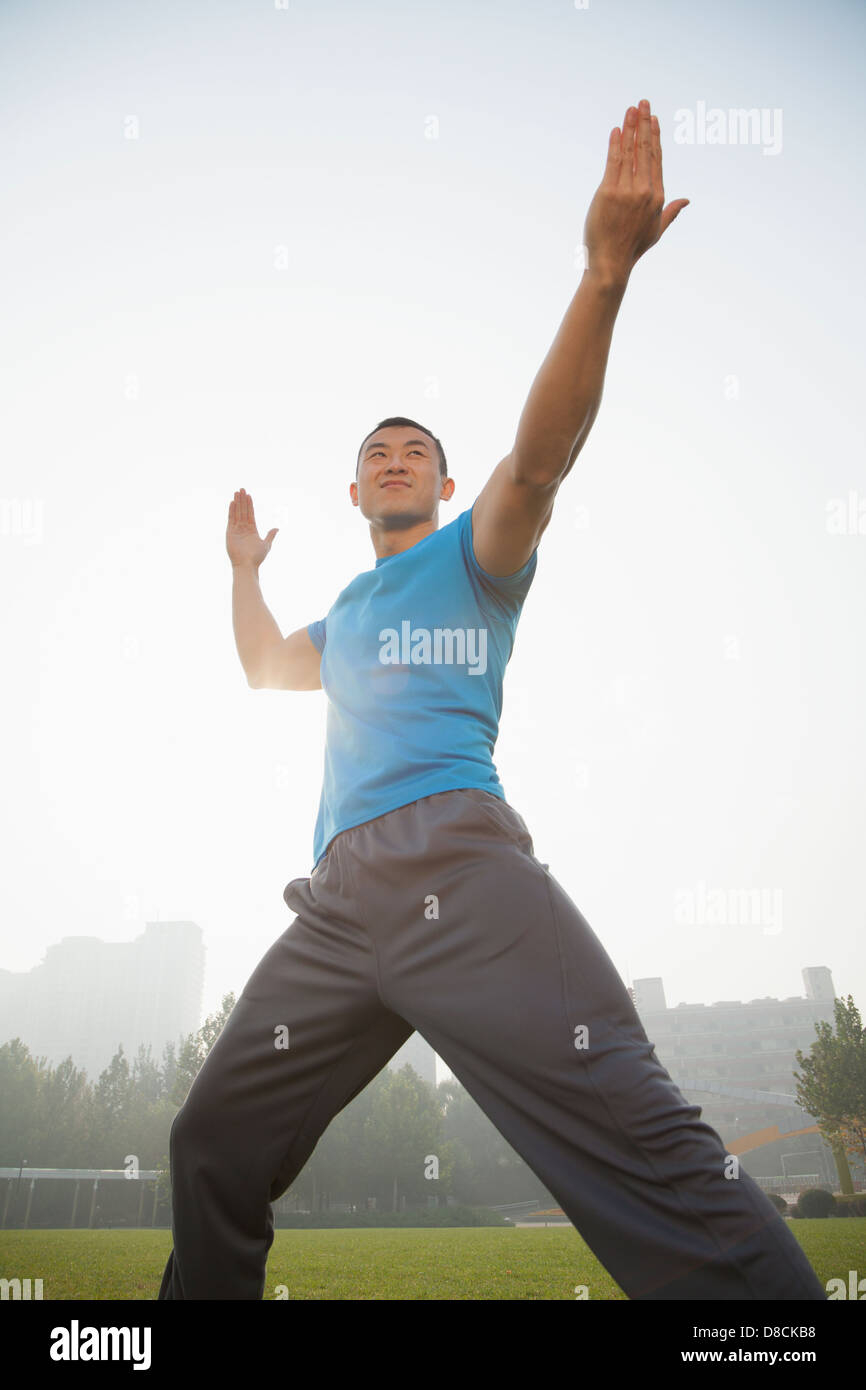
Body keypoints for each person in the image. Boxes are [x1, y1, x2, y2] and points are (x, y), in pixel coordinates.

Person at [157, 100, 826, 1300]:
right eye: (376, 449)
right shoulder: (345, 618)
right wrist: (246, 578)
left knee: (637, 1133)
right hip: (334, 910)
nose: (396, 456)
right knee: (209, 1142)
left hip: (459, 876)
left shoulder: (475, 554)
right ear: (353, 488)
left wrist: (603, 275)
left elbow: (539, 458)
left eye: (416, 446)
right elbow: (261, 670)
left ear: (444, 479)